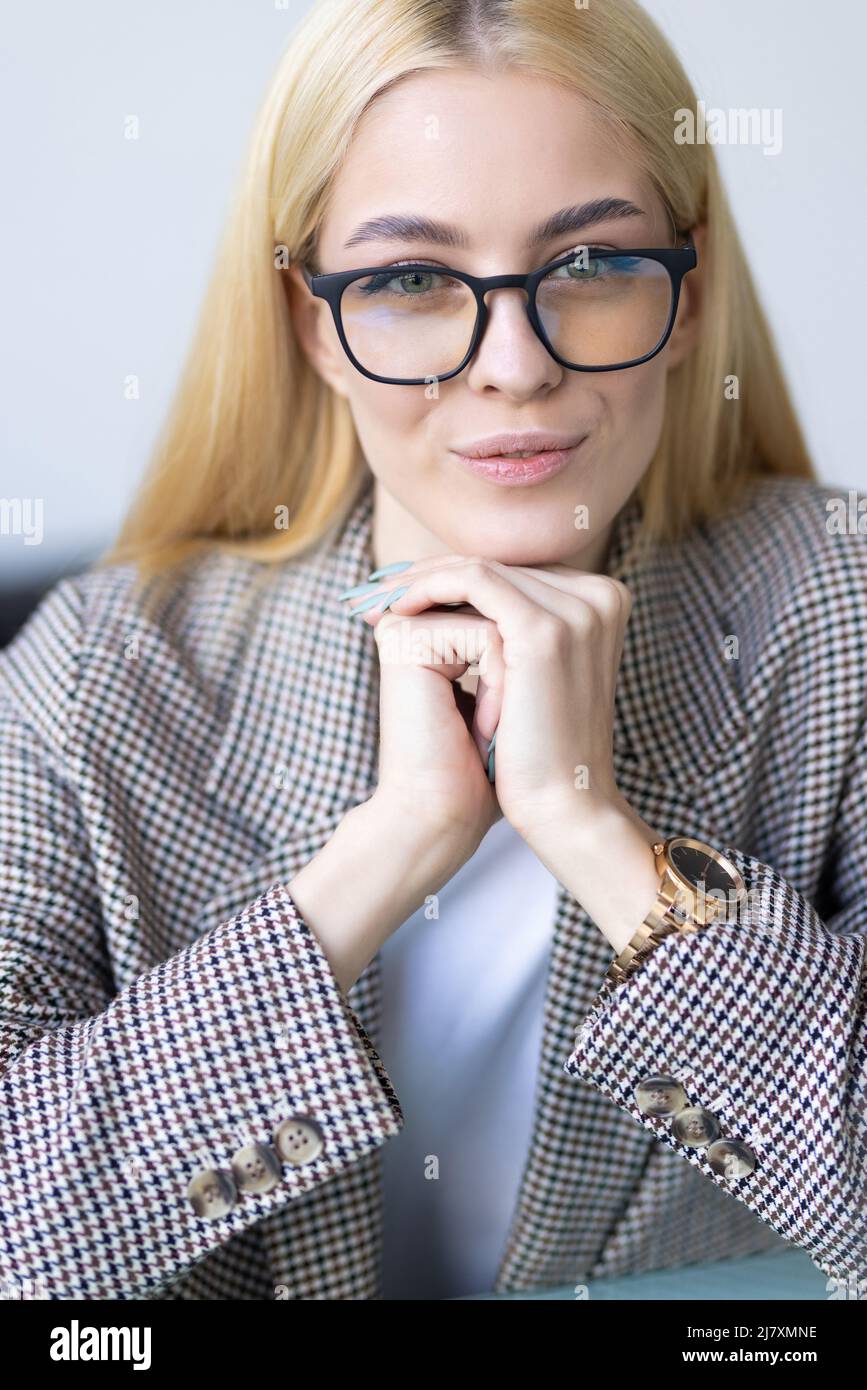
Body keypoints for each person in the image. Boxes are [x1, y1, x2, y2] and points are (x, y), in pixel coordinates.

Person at [1, 0, 865, 1302]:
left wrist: (599, 836)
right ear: (308, 320)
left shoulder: (840, 616)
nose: (513, 366)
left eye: (590, 266)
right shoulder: (96, 676)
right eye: (410, 281)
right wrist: (386, 850)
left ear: (687, 298)